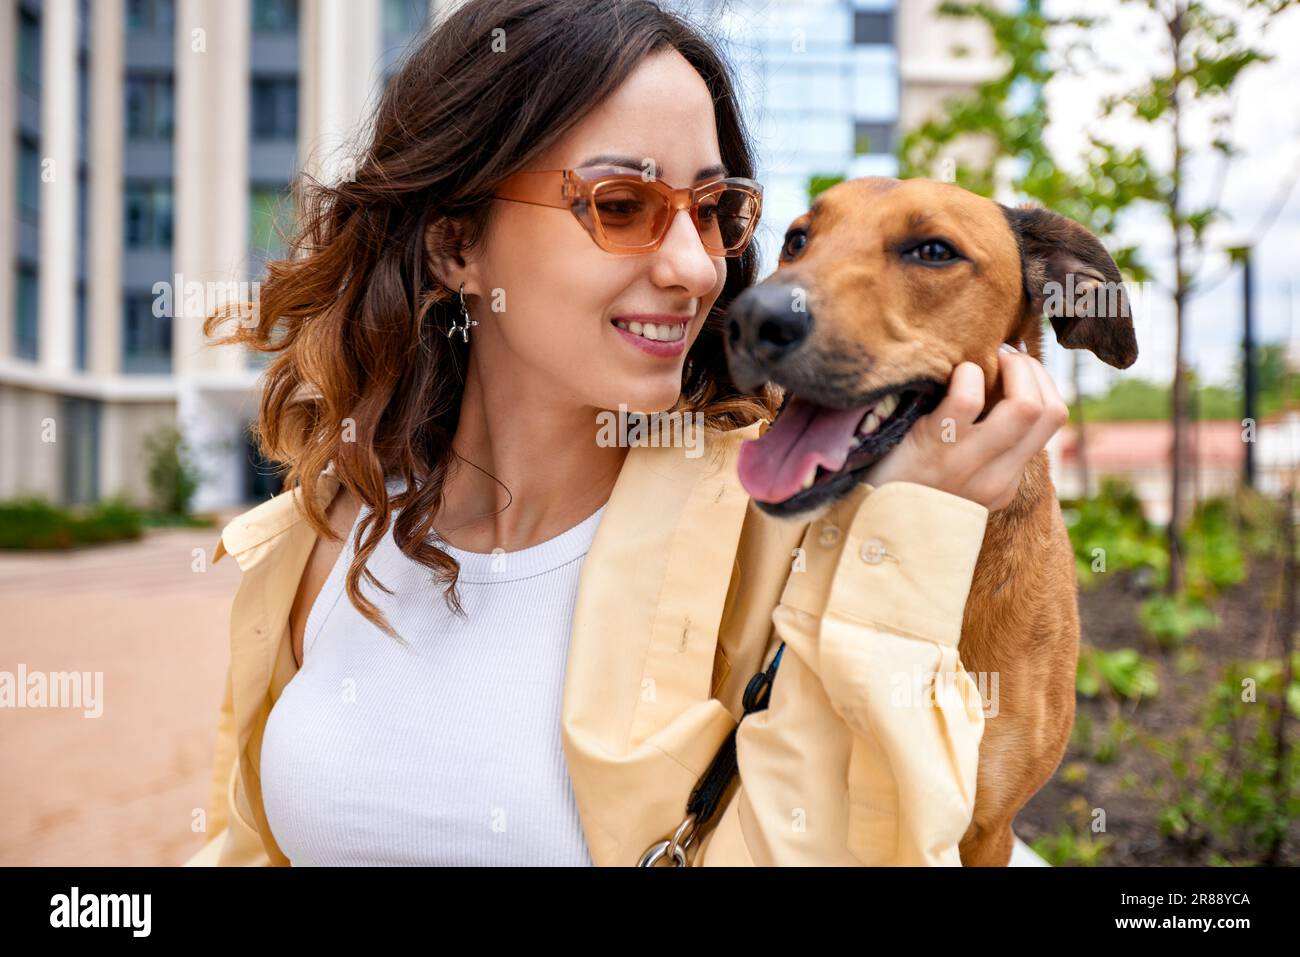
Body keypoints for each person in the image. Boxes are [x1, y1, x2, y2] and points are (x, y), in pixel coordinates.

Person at [186, 0, 1067, 867]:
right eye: (619, 204)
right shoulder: (319, 532)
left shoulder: (806, 541)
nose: (696, 268)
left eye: (711, 210)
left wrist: (916, 524)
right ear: (456, 246)